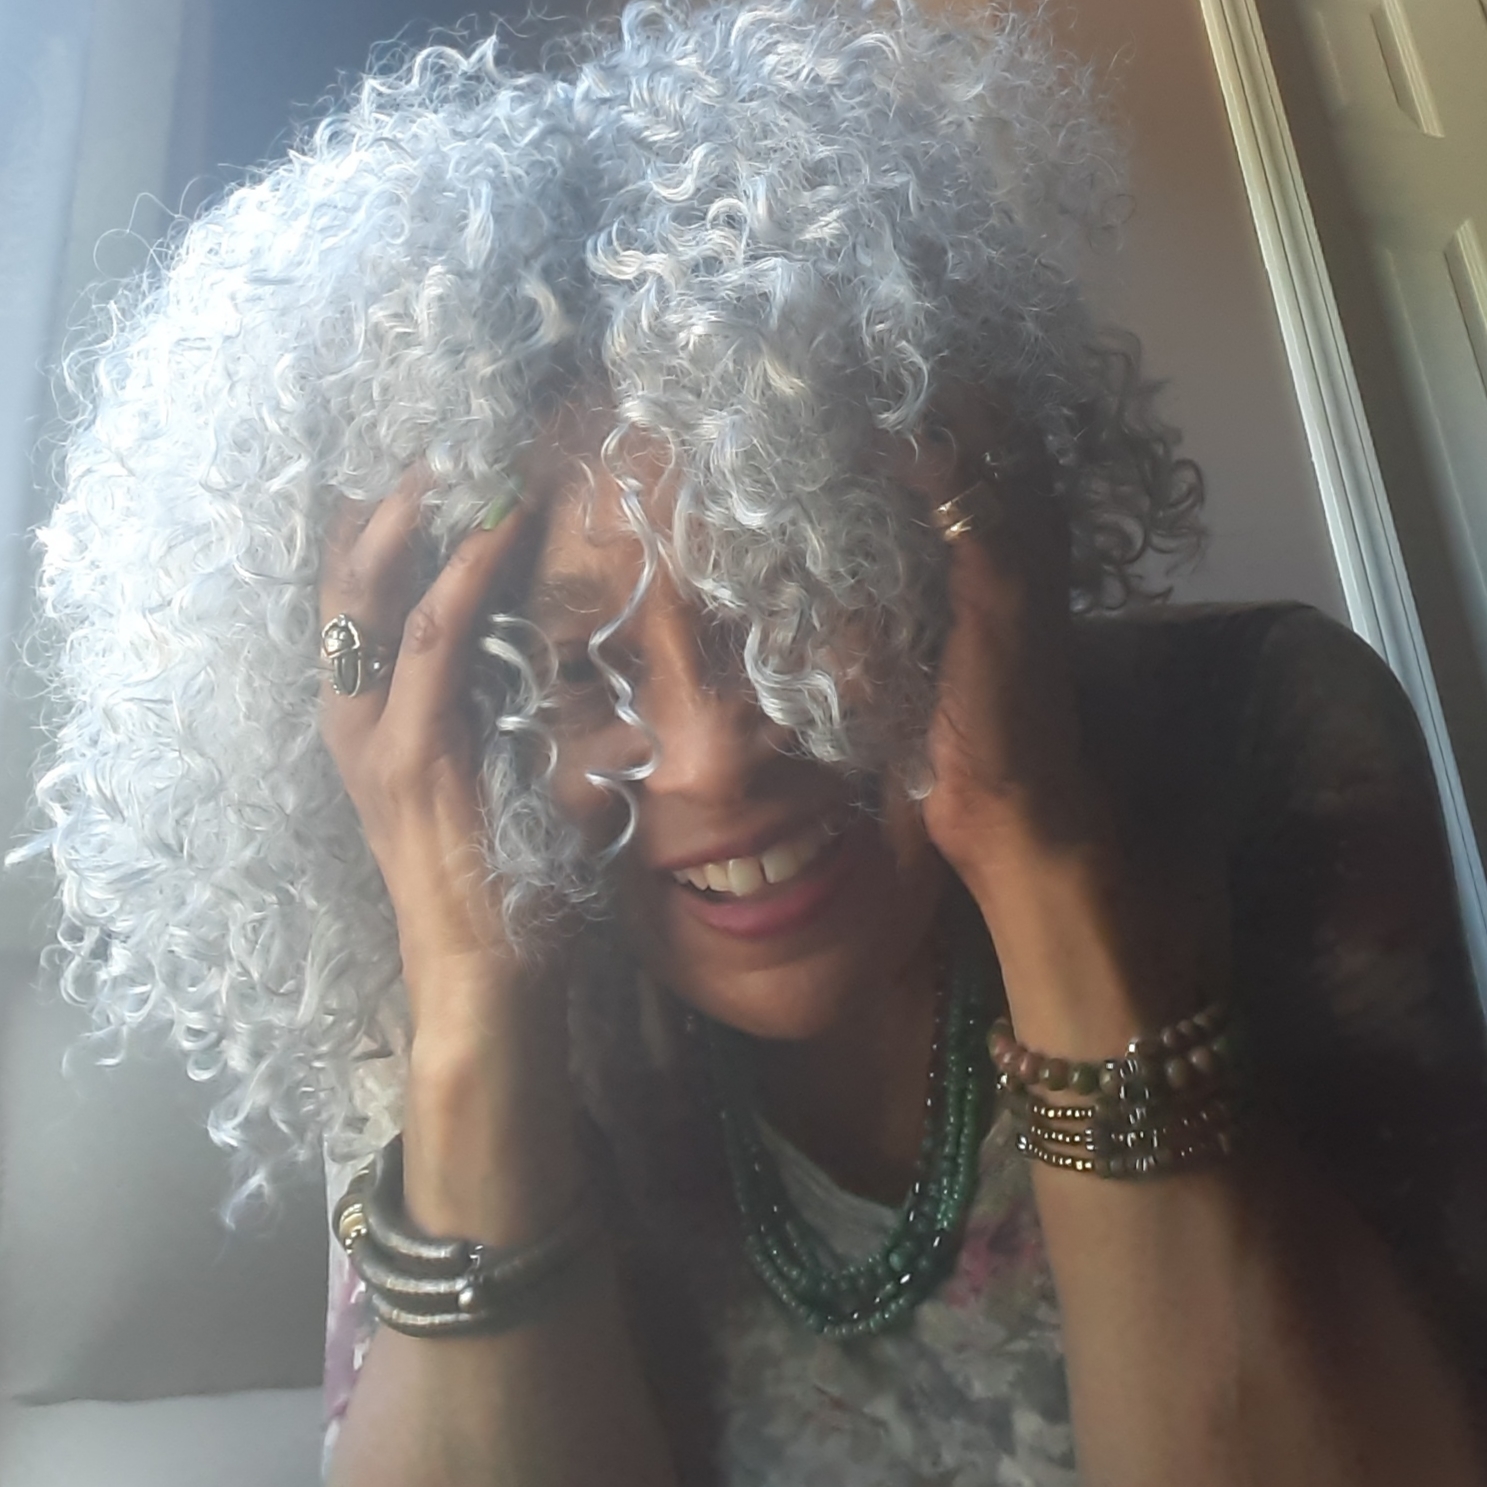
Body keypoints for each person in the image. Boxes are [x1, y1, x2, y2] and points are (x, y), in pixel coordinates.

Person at [22, 1, 1487, 1482]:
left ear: (934, 556)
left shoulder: (1267, 736)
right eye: (575, 668)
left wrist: (1042, 859)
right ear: (450, 718)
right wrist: (470, 997)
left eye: (796, 602)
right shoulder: (438, 954)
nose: (715, 758)